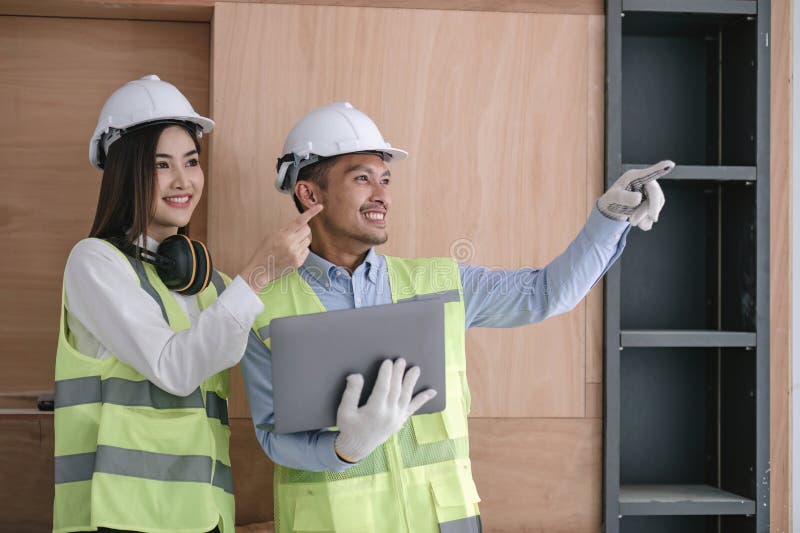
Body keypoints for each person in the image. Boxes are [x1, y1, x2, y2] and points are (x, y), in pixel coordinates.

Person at [241, 102, 672, 532]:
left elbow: (546, 293)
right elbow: (272, 435)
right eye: (362, 178)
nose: (382, 194)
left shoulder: (441, 284)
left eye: (386, 179)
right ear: (309, 194)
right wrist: (343, 449)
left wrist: (609, 220)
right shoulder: (263, 306)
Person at [52, 75, 322, 533]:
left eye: (192, 162)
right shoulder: (95, 262)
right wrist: (258, 273)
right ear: (126, 172)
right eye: (161, 165)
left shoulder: (210, 284)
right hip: (119, 514)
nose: (184, 181)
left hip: (202, 514)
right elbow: (174, 369)